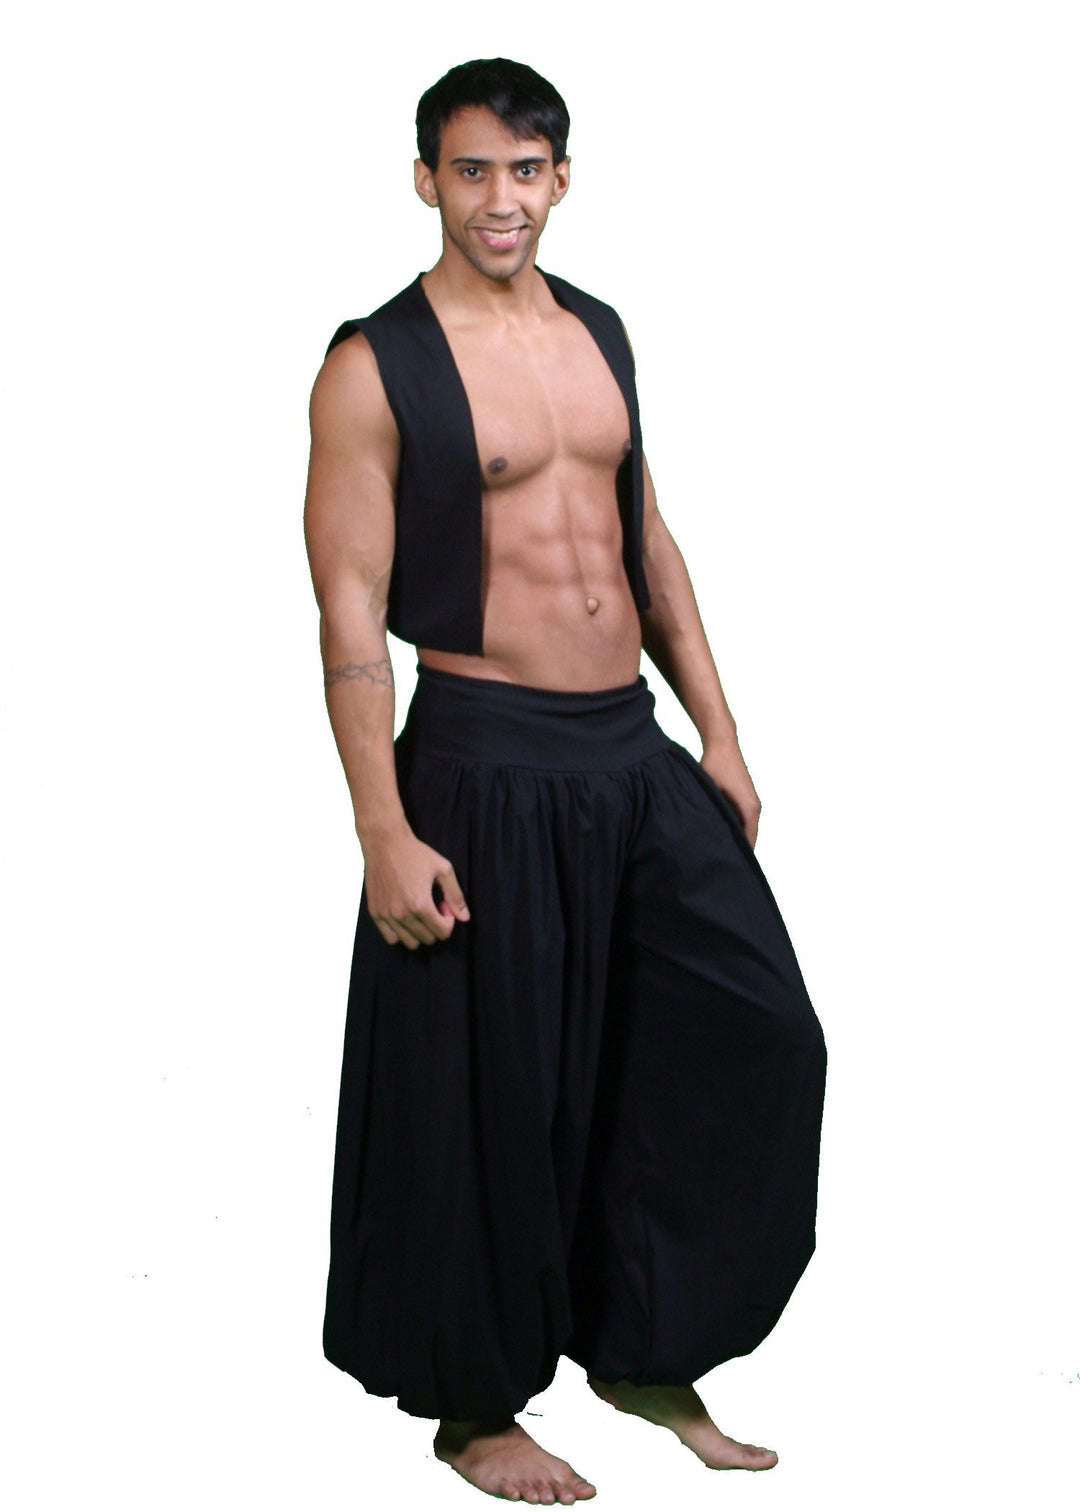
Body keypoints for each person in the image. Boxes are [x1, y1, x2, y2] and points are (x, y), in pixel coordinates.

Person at [303, 56, 827, 1507]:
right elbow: (349, 609)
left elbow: (644, 539)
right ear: (426, 180)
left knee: (747, 1033)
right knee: (495, 1093)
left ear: (563, 179)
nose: (501, 199)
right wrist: (382, 829)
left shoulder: (598, 331)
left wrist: (718, 733)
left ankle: (645, 1348)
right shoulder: (374, 364)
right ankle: (477, 1411)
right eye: (471, 171)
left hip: (626, 752)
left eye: (525, 172)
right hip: (485, 757)